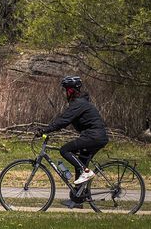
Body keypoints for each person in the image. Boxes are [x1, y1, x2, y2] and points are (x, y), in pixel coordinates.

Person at [35, 75, 109, 209]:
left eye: (65, 90)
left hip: (93, 136)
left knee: (65, 150)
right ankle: (78, 198)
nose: (64, 93)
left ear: (70, 91)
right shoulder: (79, 103)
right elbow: (63, 120)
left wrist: (46, 130)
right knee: (80, 161)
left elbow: (64, 121)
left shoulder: (79, 104)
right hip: (95, 136)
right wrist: (50, 129)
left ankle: (86, 172)